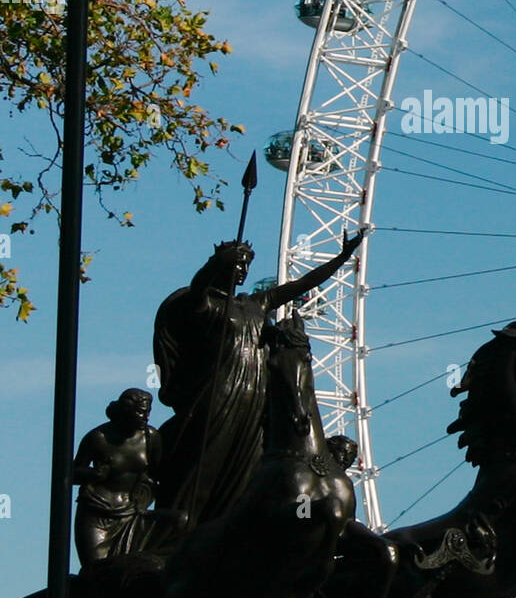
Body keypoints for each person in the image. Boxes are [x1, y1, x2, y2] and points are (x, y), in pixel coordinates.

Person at [151, 229, 364, 532]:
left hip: (255, 401)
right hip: (220, 398)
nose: (242, 271)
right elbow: (198, 288)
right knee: (204, 465)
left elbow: (302, 284)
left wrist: (342, 257)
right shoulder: (203, 305)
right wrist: (216, 262)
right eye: (237, 264)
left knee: (249, 470)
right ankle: (179, 530)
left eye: (246, 266)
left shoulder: (257, 304)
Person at [72, 389, 160, 566]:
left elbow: (159, 474)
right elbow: (70, 474)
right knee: (96, 570)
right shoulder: (98, 438)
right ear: (127, 411)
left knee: (130, 570)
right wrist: (92, 474)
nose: (146, 417)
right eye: (140, 412)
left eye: (147, 412)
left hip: (131, 514)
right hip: (97, 513)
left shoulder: (151, 438)